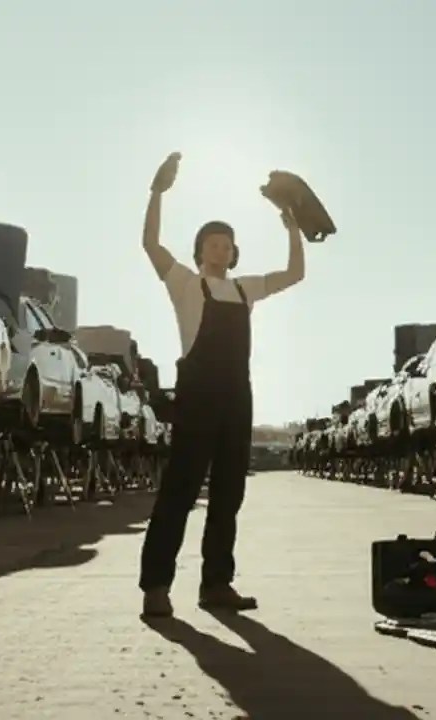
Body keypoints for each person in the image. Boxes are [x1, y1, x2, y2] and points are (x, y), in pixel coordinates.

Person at [138, 151, 306, 618]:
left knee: (229, 493)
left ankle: (216, 584)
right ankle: (156, 587)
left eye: (227, 244)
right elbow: (150, 244)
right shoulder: (187, 286)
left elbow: (295, 274)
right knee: (181, 490)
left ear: (234, 252)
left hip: (237, 397)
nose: (220, 249)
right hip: (196, 396)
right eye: (212, 243)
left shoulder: (244, 290)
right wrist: (157, 193)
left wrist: (292, 227)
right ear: (200, 252)